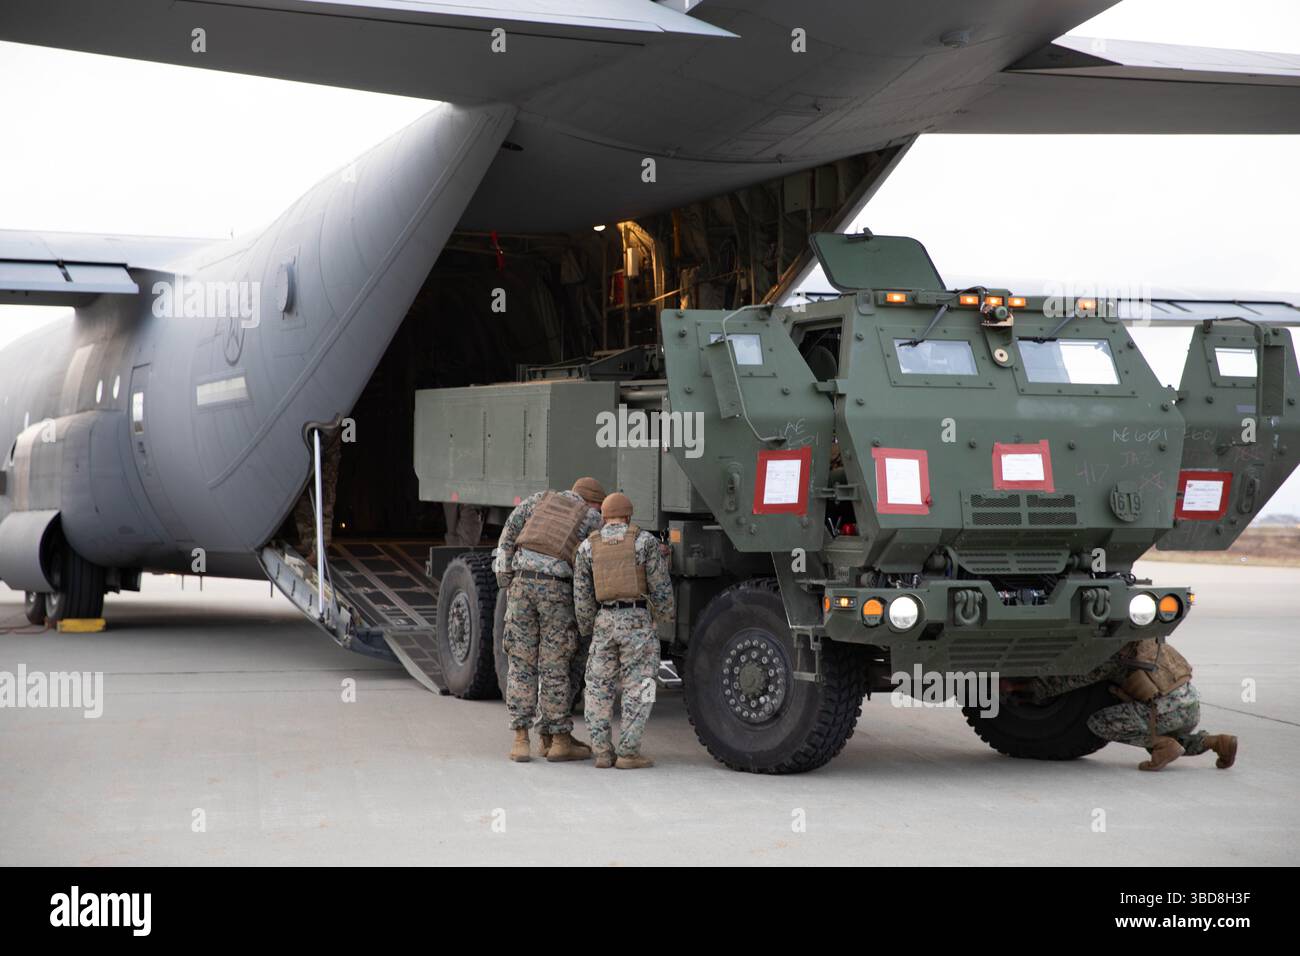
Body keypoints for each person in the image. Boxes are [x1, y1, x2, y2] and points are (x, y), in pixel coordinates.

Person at [496, 477, 606, 762]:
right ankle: (558, 740)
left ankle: (521, 740)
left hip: (520, 586)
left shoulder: (539, 500)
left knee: (521, 663)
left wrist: (505, 576)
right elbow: (596, 561)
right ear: (594, 501)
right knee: (555, 664)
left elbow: (508, 533)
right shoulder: (592, 517)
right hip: (556, 590)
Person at [1018, 638, 1238, 771]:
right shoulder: (1149, 640)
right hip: (1189, 707)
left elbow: (1073, 680)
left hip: (1161, 711)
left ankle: (1160, 744)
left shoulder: (1114, 652)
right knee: (1165, 734)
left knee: (1099, 723)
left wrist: (1028, 690)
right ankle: (1217, 742)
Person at [573, 492, 675, 769]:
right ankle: (629, 751)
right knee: (642, 687)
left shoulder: (587, 547)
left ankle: (602, 752)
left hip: (604, 622)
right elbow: (661, 587)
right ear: (629, 516)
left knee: (597, 688)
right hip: (638, 622)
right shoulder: (645, 542)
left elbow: (582, 597)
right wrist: (664, 618)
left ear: (604, 517)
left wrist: (589, 627)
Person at [295, 425, 342, 560]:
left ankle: (320, 549)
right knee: (302, 498)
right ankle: (307, 541)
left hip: (326, 456)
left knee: (323, 501)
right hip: (308, 450)